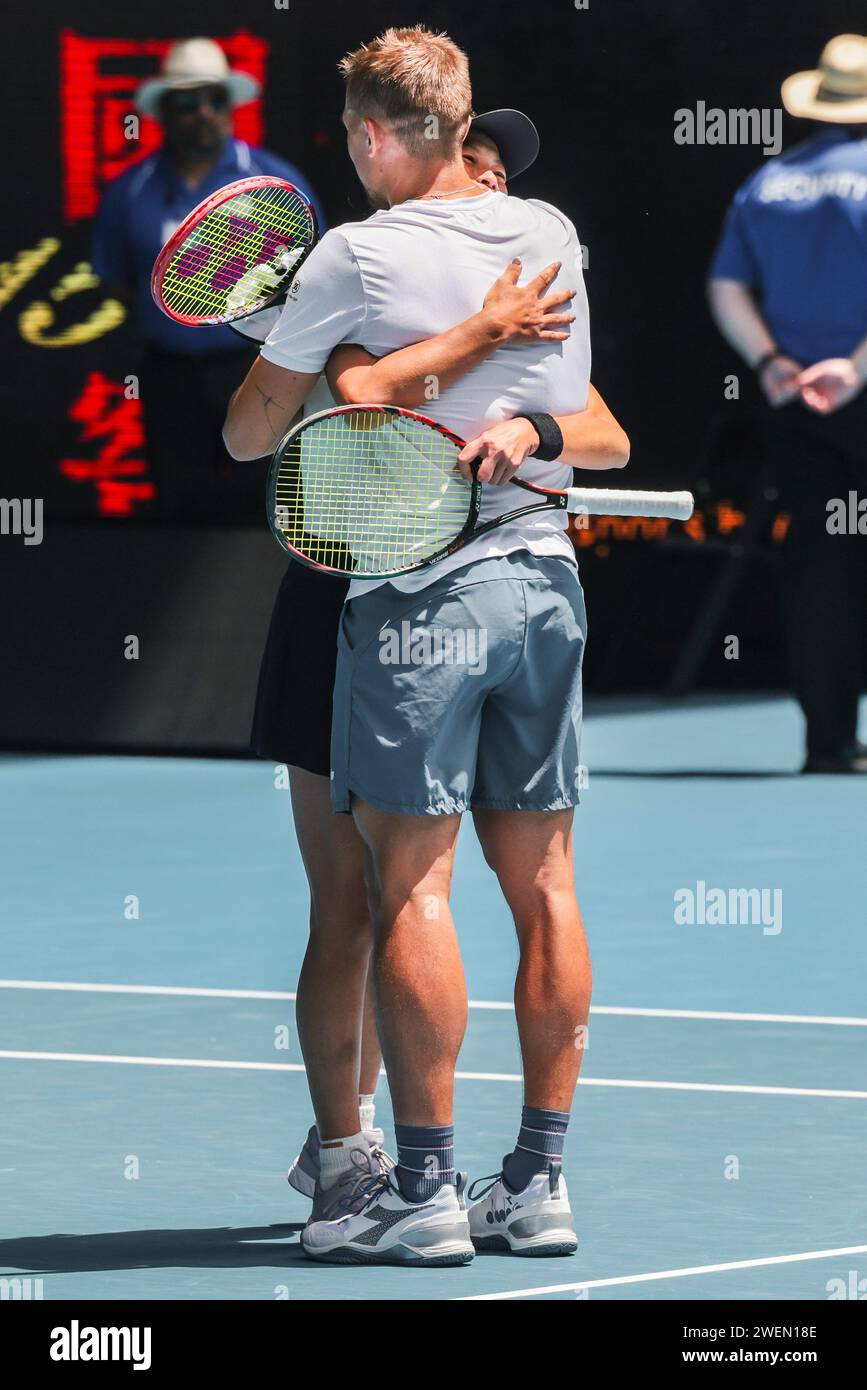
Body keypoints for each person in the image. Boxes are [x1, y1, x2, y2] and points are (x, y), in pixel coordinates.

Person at [225, 25, 624, 1265]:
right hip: (545, 587)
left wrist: (325, 354)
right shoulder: (551, 234)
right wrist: (485, 366)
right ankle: (535, 1180)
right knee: (545, 885)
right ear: (461, 128)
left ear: (371, 135)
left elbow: (253, 435)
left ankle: (427, 1188)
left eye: (353, 138)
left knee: (410, 889)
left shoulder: (353, 254)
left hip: (422, 596)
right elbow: (560, 411)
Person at [708, 34, 867, 773]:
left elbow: (726, 287)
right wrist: (855, 370)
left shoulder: (766, 182)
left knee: (819, 569)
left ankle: (828, 742)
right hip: (850, 387)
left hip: (796, 400)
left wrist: (771, 363)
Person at [90, 37, 325, 521]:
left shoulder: (274, 180)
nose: (203, 113)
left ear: (230, 106)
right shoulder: (129, 191)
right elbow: (114, 279)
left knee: (272, 500)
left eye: (215, 99)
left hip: (258, 366)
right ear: (163, 111)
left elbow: (318, 278)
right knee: (177, 505)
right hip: (168, 376)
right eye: (187, 102)